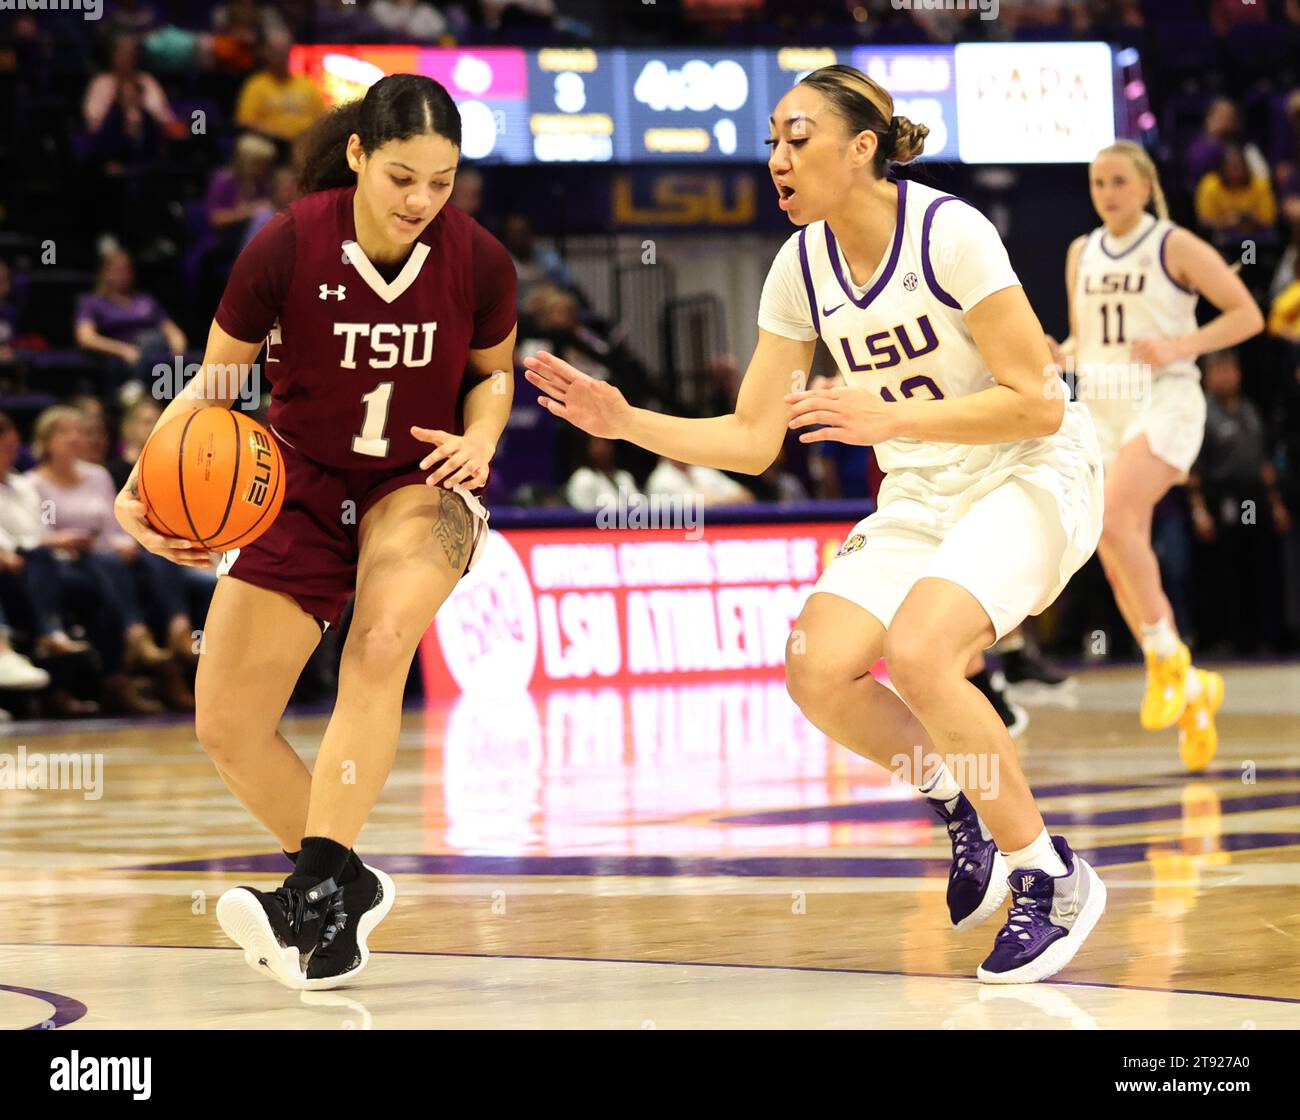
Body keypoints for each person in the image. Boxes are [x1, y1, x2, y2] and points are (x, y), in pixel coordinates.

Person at [527, 64, 1107, 984]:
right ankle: (960, 798)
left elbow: (1037, 403)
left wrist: (891, 421)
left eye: (798, 138)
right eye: (772, 143)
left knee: (922, 652)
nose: (778, 159)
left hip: (1031, 470)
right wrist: (625, 421)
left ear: (862, 148)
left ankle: (1051, 874)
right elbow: (755, 440)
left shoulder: (950, 232)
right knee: (815, 666)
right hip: (923, 490)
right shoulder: (798, 267)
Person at [114, 74, 517, 990]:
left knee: (378, 644)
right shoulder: (287, 245)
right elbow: (218, 386)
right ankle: (346, 884)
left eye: (442, 182)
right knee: (225, 723)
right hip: (295, 479)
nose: (421, 201)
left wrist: (483, 435)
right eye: (402, 177)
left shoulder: (480, 259)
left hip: (420, 478)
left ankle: (313, 895)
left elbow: (493, 374)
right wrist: (141, 478)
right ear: (358, 157)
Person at [1052, 140, 1264, 770]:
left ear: (1144, 187)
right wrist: (1056, 354)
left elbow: (1246, 314)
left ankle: (1165, 656)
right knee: (1115, 552)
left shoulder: (1172, 244)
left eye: (1118, 181)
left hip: (1166, 400)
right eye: (1097, 183)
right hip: (1104, 404)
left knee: (1116, 521)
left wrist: (1182, 345)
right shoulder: (1079, 252)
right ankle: (1191, 688)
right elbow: (1082, 339)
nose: (1107, 193)